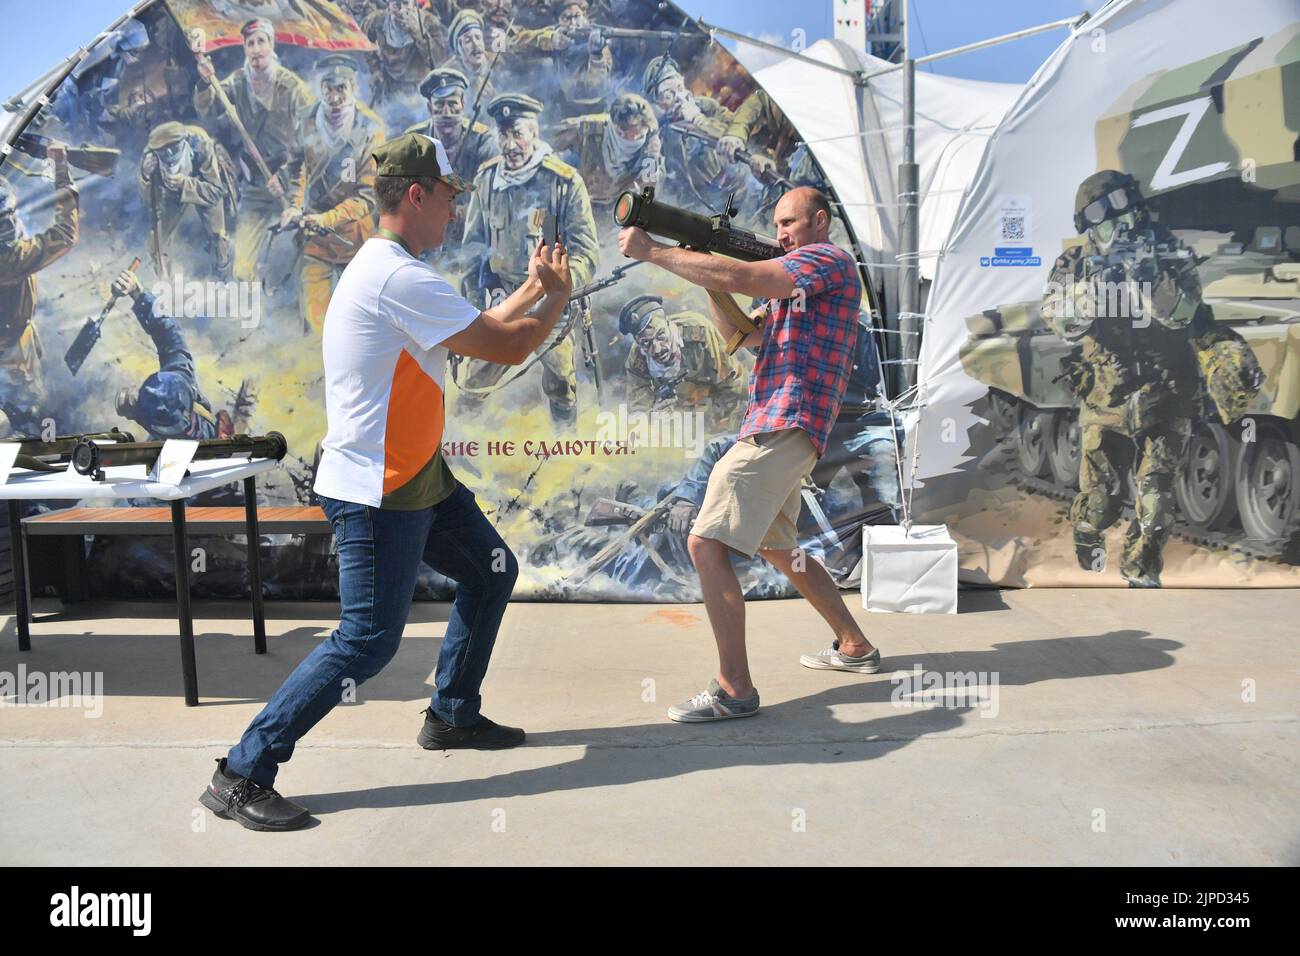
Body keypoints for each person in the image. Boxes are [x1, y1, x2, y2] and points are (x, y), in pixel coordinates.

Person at [200, 132, 574, 830]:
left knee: (492, 571)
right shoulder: (397, 276)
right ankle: (241, 773)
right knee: (367, 642)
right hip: (379, 489)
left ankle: (452, 715)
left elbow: (481, 325)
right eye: (448, 200)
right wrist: (557, 301)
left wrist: (535, 287)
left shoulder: (389, 269)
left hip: (418, 476)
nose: (453, 214)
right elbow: (511, 343)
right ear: (415, 195)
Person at [618, 186, 880, 723]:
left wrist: (658, 253)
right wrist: (704, 266)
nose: (780, 233)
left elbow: (744, 276)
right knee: (780, 547)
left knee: (705, 543)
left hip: (785, 422)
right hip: (782, 424)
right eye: (778, 225)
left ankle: (733, 689)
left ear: (820, 222)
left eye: (790, 223)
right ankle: (854, 644)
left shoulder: (826, 261)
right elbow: (743, 336)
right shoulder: (796, 283)